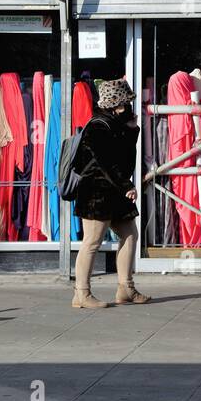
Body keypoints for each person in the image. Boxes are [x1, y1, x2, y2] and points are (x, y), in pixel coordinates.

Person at [72, 79, 150, 309]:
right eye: (125, 103)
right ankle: (81, 293)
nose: (129, 108)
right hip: (96, 191)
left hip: (115, 190)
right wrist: (127, 186)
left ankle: (126, 288)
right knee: (92, 241)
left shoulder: (116, 124)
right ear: (116, 105)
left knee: (129, 233)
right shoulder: (97, 126)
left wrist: (133, 131)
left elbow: (125, 160)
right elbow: (106, 162)